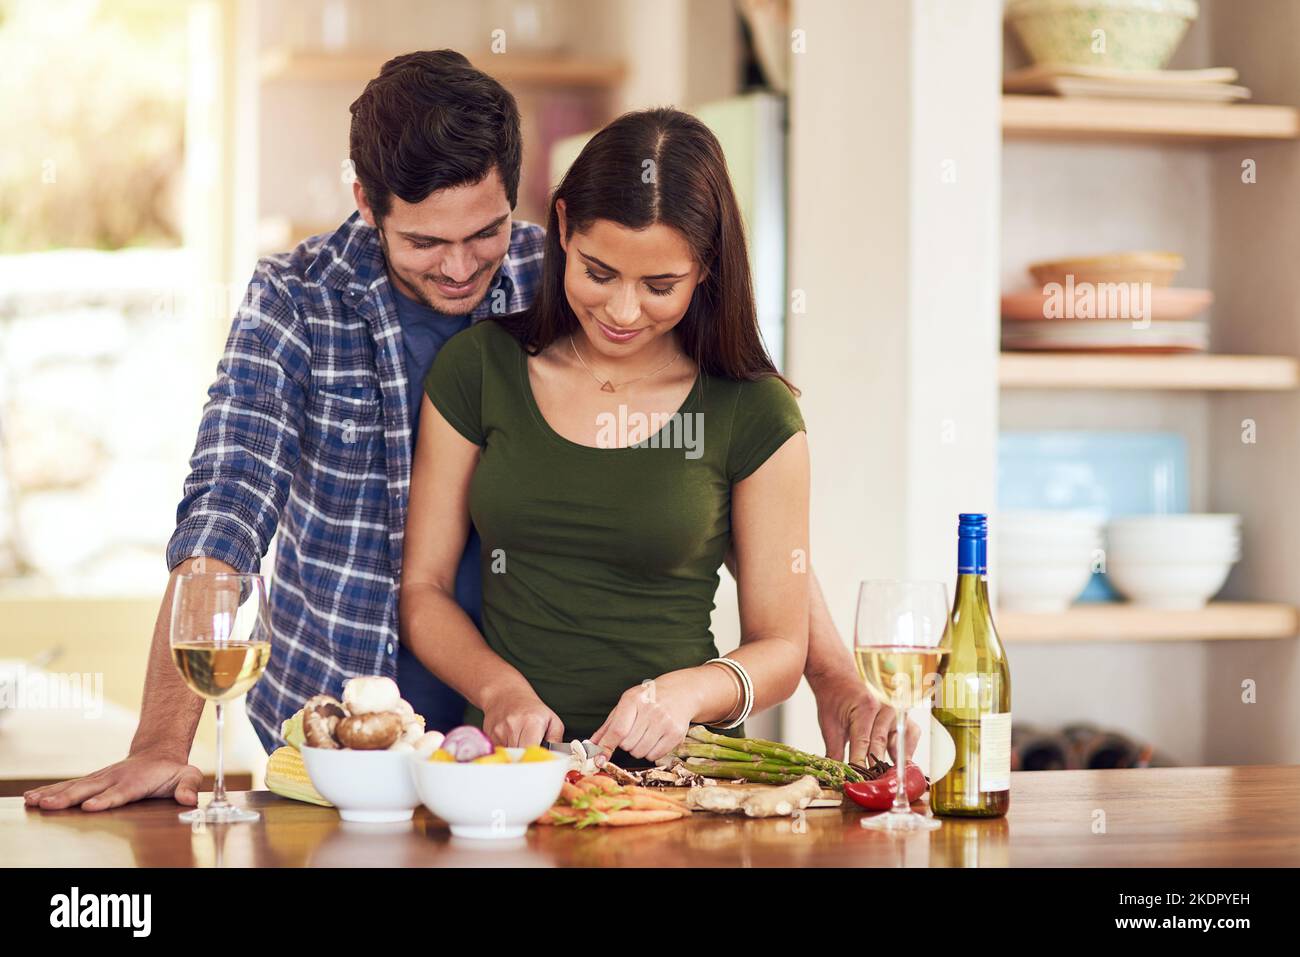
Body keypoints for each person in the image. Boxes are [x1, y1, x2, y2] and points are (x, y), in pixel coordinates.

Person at [24, 50, 913, 813]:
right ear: (367, 201)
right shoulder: (293, 303)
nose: (458, 267)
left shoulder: (569, 275)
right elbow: (227, 513)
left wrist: (829, 673)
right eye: (423, 242)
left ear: (523, 198)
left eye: (483, 231)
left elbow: (726, 477)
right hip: (355, 737)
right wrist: (159, 741)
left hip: (554, 754)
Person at [402, 107, 808, 761]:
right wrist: (499, 688)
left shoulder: (754, 410)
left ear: (705, 268)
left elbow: (783, 646)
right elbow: (424, 588)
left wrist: (684, 695)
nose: (622, 311)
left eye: (660, 285)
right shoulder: (478, 370)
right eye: (599, 272)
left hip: (682, 783)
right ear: (562, 227)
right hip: (512, 773)